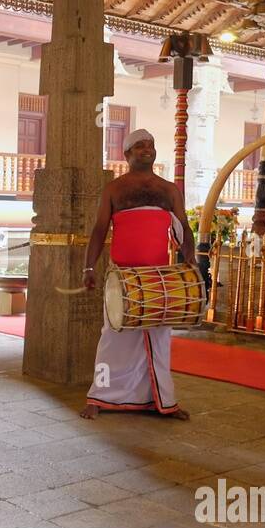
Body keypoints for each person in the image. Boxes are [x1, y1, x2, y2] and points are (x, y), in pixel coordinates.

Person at [80, 129, 195, 422]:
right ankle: (98, 396)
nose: (147, 149)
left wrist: (190, 262)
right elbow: (98, 230)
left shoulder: (169, 189)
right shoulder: (114, 189)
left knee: (159, 342)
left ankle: (163, 401)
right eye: (140, 146)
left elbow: (184, 228)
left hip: (159, 279)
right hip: (122, 278)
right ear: (127, 155)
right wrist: (89, 267)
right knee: (111, 340)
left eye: (151, 145)